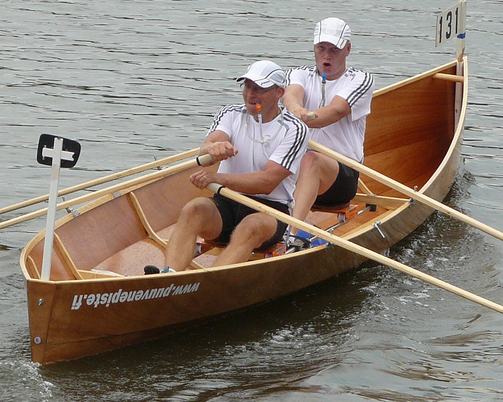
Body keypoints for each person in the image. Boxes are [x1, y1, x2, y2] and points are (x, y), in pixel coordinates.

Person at [147, 60, 308, 273]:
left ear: (279, 93)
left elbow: (268, 181)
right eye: (248, 86)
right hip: (227, 202)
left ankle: (208, 284)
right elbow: (207, 147)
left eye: (259, 88)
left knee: (249, 227)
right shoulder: (231, 114)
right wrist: (214, 148)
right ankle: (168, 277)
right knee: (192, 209)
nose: (251, 94)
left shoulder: (294, 129)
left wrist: (218, 179)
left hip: (271, 210)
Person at [282, 17, 375, 231]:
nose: (327, 55)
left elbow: (335, 110)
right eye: (321, 47)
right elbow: (290, 96)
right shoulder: (298, 74)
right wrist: (295, 109)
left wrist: (306, 116)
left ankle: (290, 234)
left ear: (348, 49)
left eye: (334, 49)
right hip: (296, 172)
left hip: (341, 178)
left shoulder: (360, 79)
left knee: (311, 160)